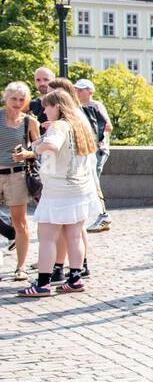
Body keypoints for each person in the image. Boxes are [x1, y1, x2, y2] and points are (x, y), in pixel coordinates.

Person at [16, 87, 97, 297]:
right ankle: (75, 279)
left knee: (47, 237)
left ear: (57, 106)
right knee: (74, 236)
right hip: (79, 188)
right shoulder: (79, 125)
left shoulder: (59, 126)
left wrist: (36, 149)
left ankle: (43, 283)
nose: (44, 111)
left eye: (47, 107)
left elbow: (52, 145)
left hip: (58, 191)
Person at [1, 82, 40, 281]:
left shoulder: (29, 122)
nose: (17, 103)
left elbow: (40, 151)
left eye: (21, 99)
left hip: (17, 175)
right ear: (5, 98)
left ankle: (21, 267)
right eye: (13, 98)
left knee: (20, 222)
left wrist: (27, 154)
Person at [76, 79, 113, 233]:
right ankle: (99, 215)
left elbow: (108, 126)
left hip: (98, 149)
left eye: (81, 90)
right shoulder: (79, 107)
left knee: (94, 181)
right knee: (91, 181)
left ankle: (103, 215)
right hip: (89, 150)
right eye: (76, 89)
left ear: (90, 91)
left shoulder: (95, 106)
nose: (78, 92)